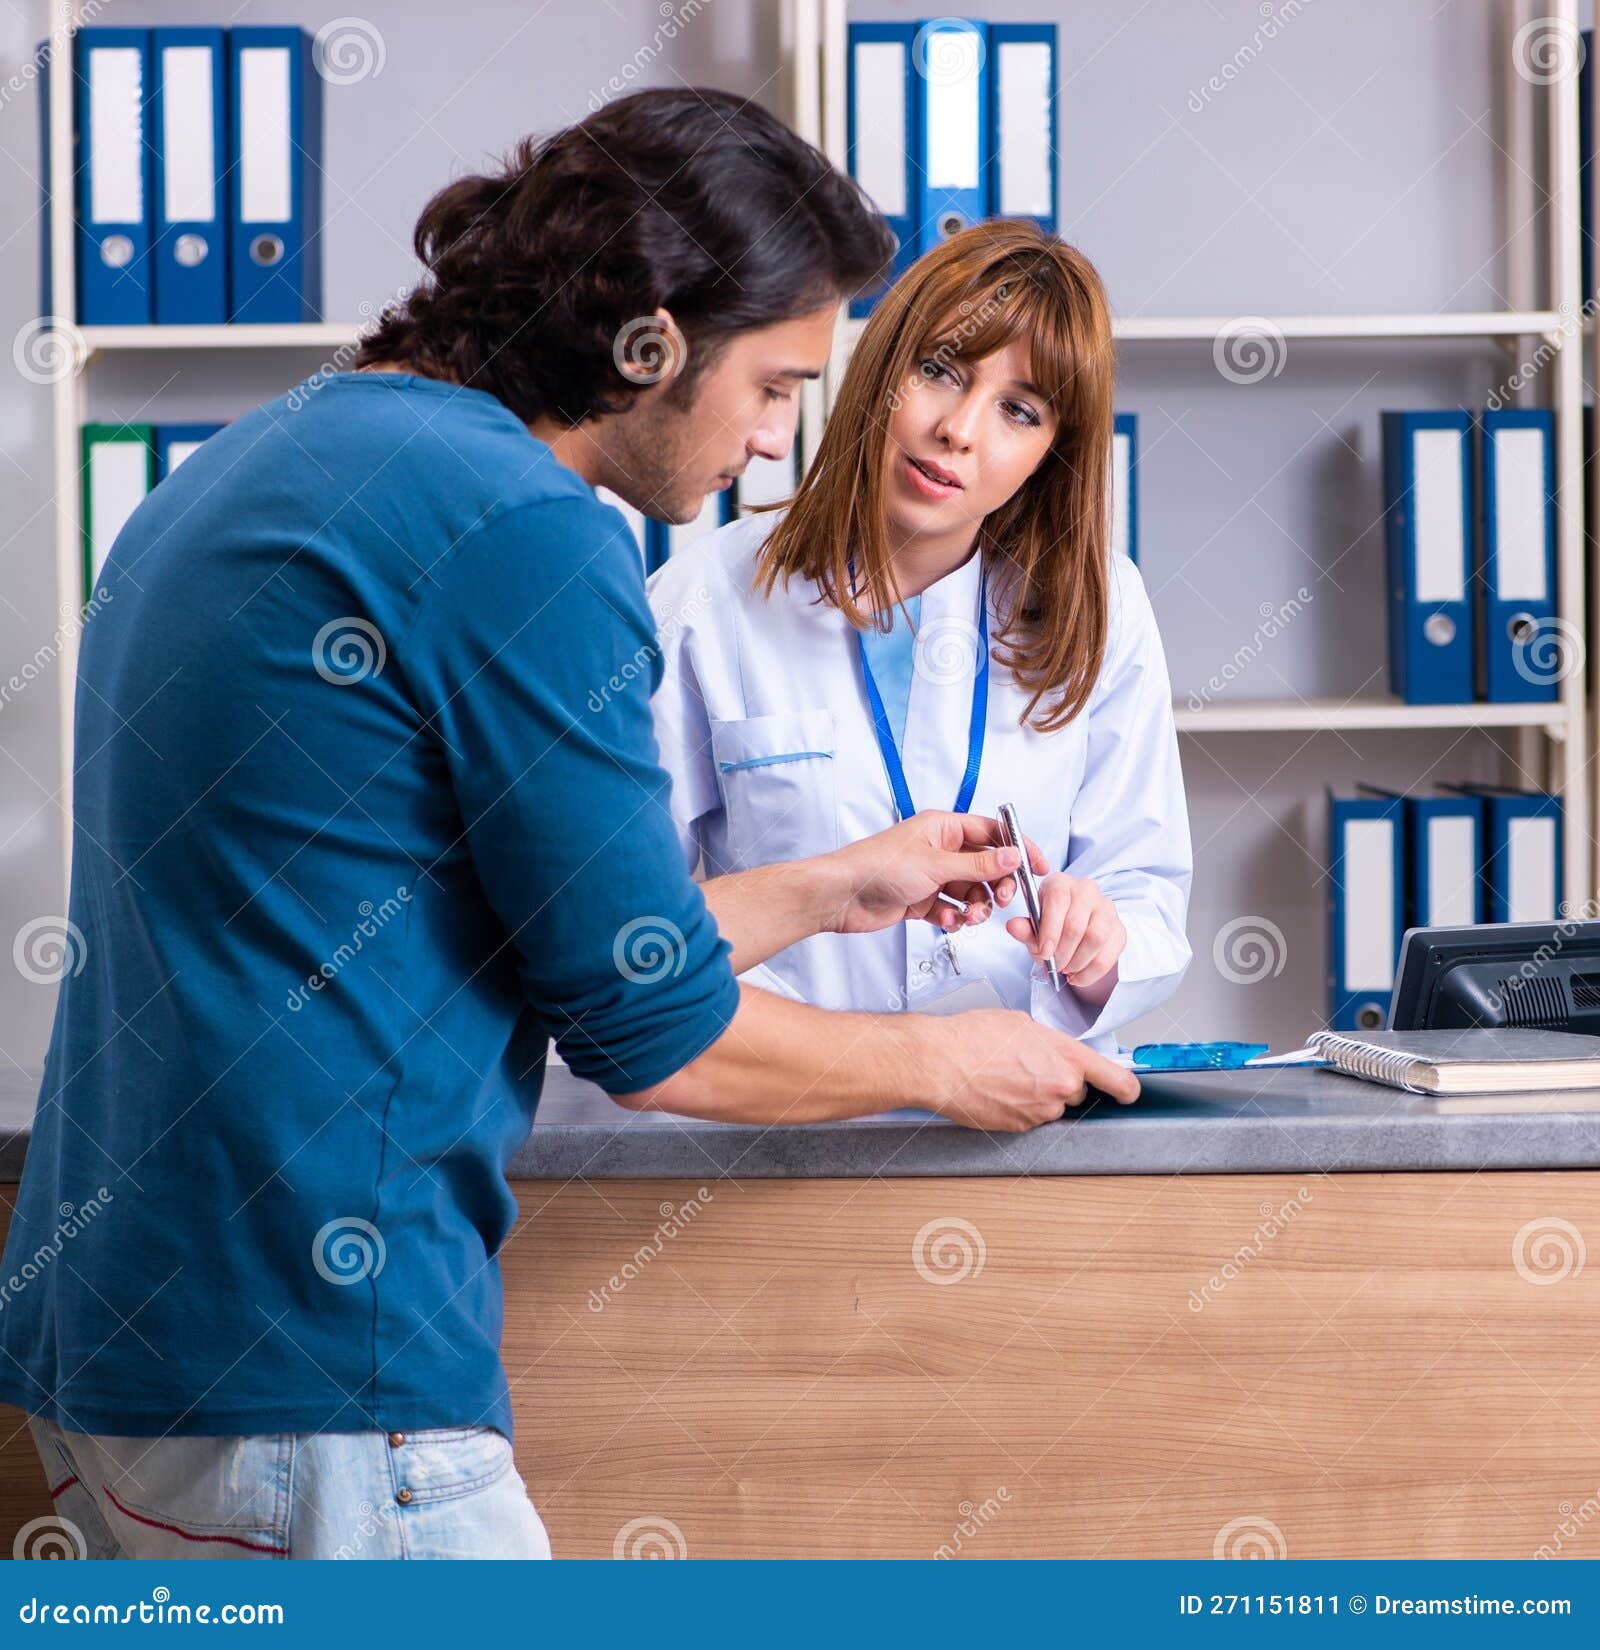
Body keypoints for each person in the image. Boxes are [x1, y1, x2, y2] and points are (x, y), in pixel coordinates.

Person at [0, 92, 1138, 1562]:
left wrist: (826, 886)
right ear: (651, 338)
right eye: (779, 381)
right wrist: (951, 1058)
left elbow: (498, 934)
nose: (783, 433)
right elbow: (652, 1033)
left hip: (120, 1353)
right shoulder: (526, 529)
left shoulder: (254, 459)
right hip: (320, 1377)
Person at [648, 222, 1192, 1051]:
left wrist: (1099, 939)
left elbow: (1145, 888)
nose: (960, 431)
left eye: (1019, 410)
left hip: (1018, 1129)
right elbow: (618, 922)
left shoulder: (1104, 605)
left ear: (1055, 451)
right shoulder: (702, 600)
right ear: (880, 368)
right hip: (776, 1121)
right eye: (939, 371)